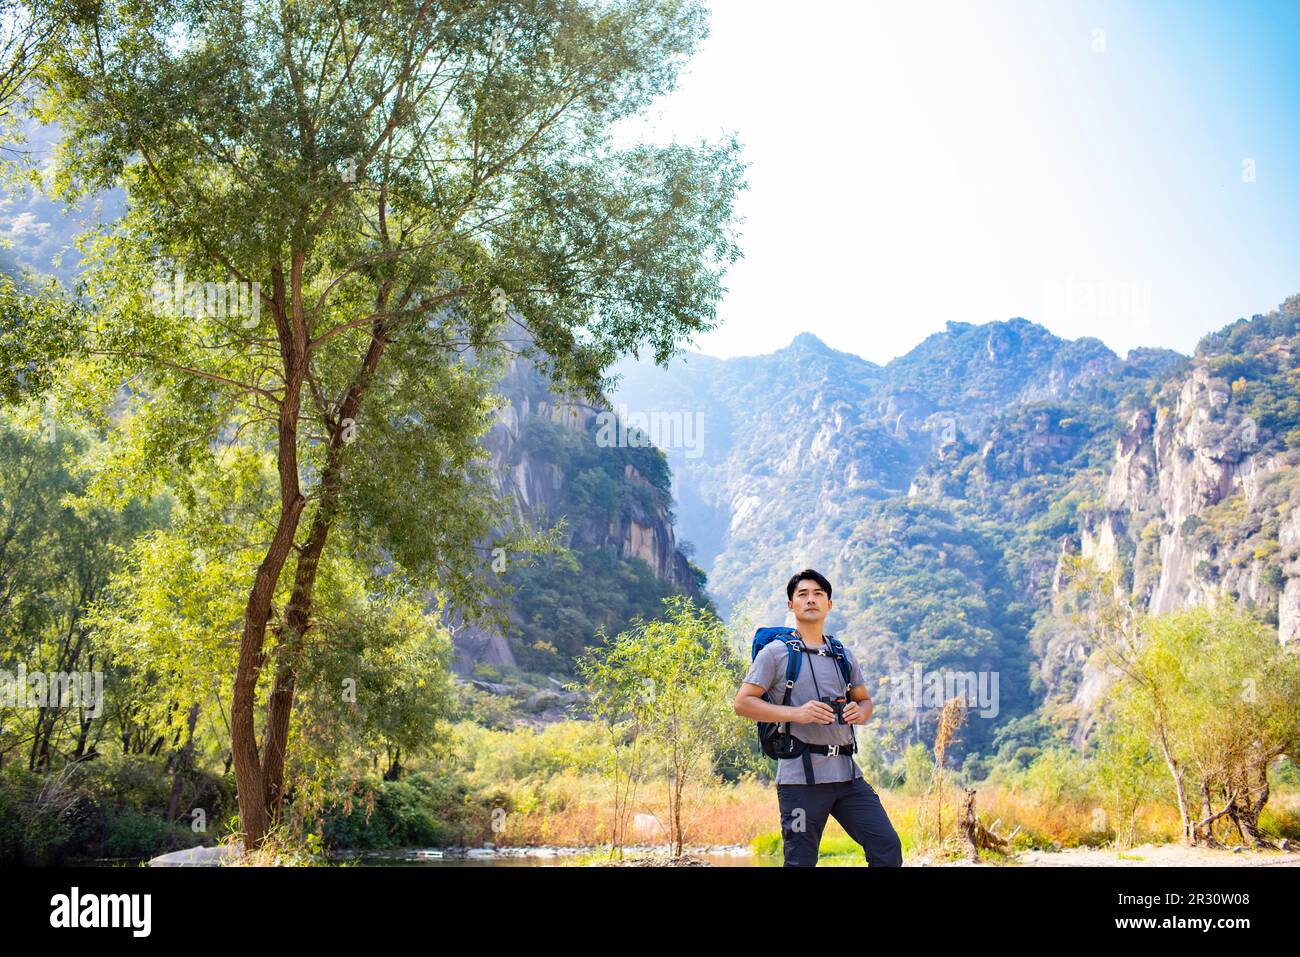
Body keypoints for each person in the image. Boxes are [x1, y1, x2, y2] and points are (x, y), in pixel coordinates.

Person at [733, 568, 903, 867]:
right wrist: (797, 713)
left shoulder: (843, 655)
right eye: (803, 594)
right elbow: (743, 703)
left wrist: (859, 712)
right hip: (800, 783)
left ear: (829, 604)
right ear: (791, 605)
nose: (811, 599)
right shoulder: (775, 654)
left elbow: (864, 701)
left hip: (849, 778)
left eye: (818, 594)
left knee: (886, 845)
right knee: (800, 860)